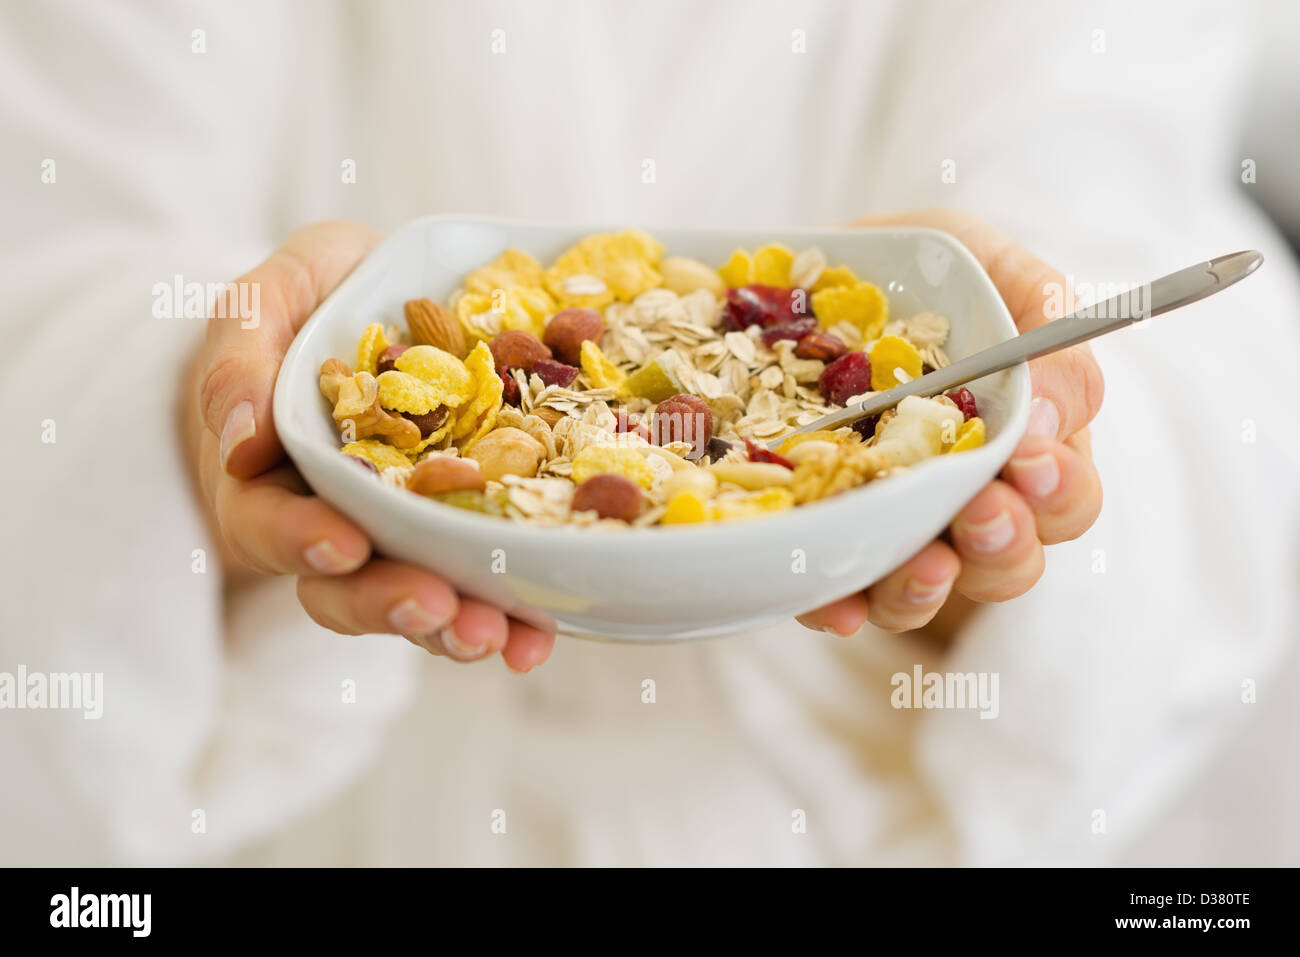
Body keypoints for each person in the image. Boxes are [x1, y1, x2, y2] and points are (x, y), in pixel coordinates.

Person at [2, 0, 1297, 866]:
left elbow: (1118, 214)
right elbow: (57, 246)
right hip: (332, 822)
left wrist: (987, 451)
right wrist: (214, 412)